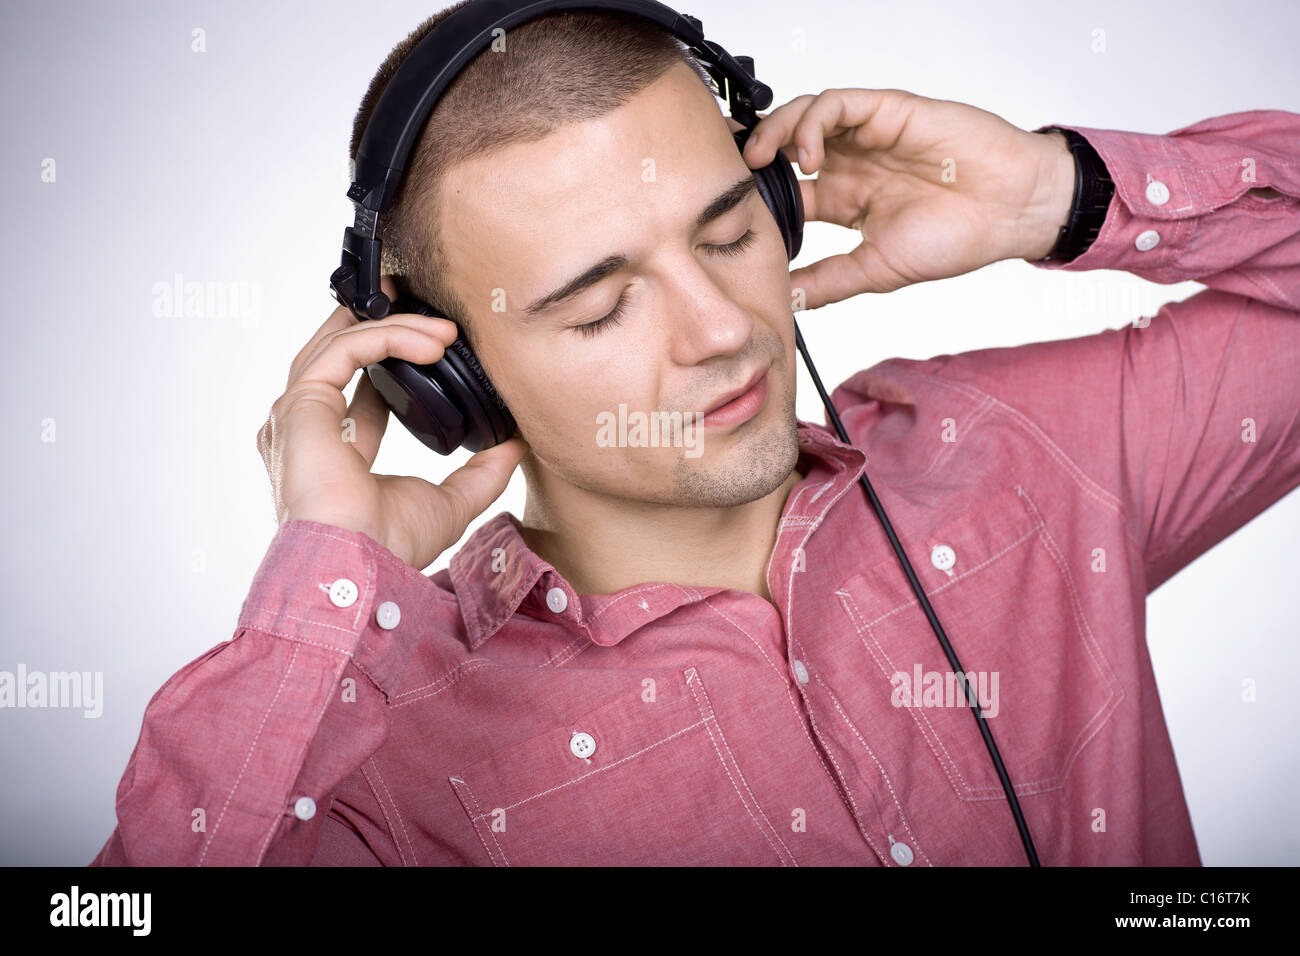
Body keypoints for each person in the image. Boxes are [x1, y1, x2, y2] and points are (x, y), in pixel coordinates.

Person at [90, 3, 1298, 866]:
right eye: (603, 303)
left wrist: (1057, 192)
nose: (724, 329)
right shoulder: (379, 756)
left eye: (729, 234)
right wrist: (323, 582)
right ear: (449, 379)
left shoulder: (1021, 448)